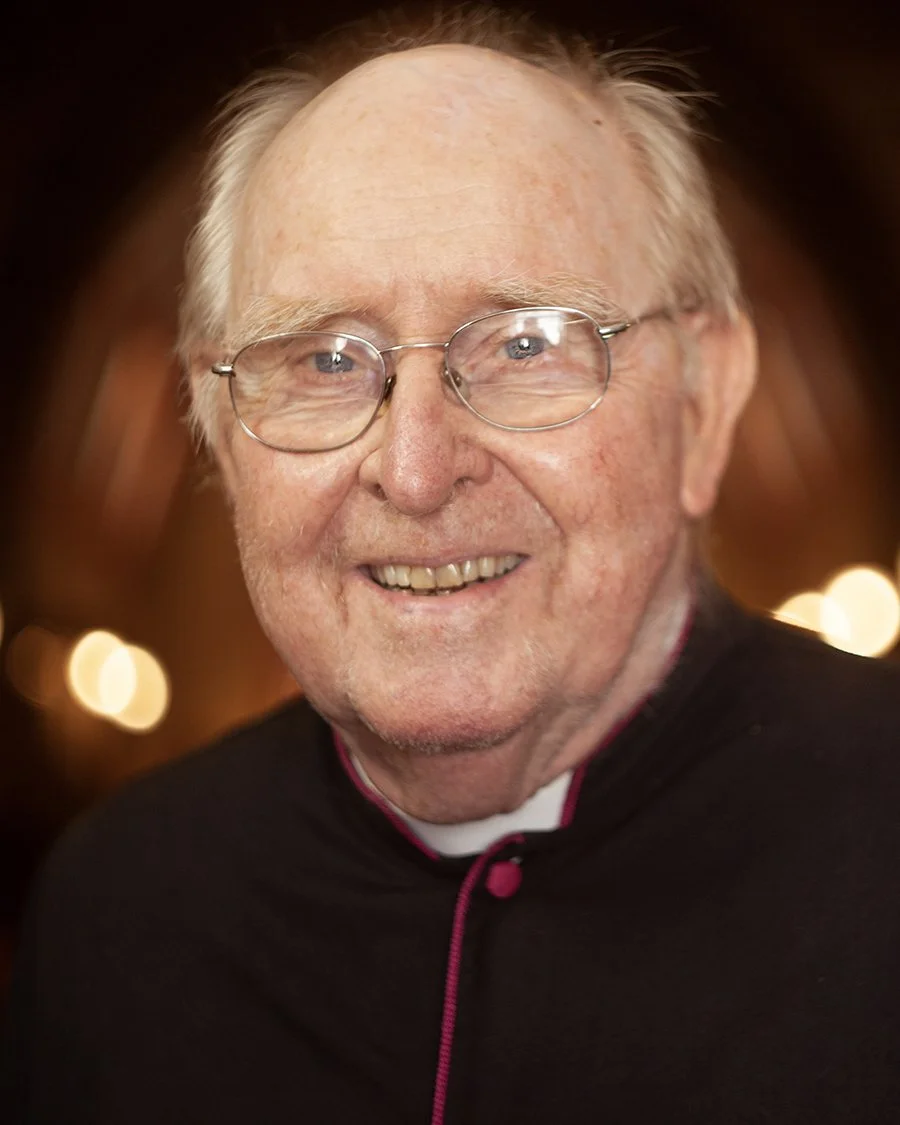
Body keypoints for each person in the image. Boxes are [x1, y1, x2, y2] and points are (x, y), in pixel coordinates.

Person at [4, 6, 900, 1123]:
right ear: (216, 432)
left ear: (704, 401)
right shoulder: (118, 914)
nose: (417, 470)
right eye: (328, 358)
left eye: (526, 344)